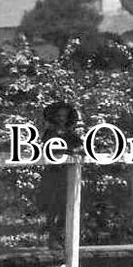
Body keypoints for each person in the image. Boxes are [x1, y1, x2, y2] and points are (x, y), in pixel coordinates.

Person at [37, 101, 83, 249]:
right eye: (59, 115)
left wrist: (79, 150)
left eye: (65, 115)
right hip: (54, 174)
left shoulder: (71, 134)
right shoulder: (50, 133)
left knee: (67, 207)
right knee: (54, 207)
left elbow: (80, 146)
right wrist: (70, 151)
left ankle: (63, 238)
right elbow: (52, 149)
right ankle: (52, 239)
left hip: (68, 175)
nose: (62, 118)